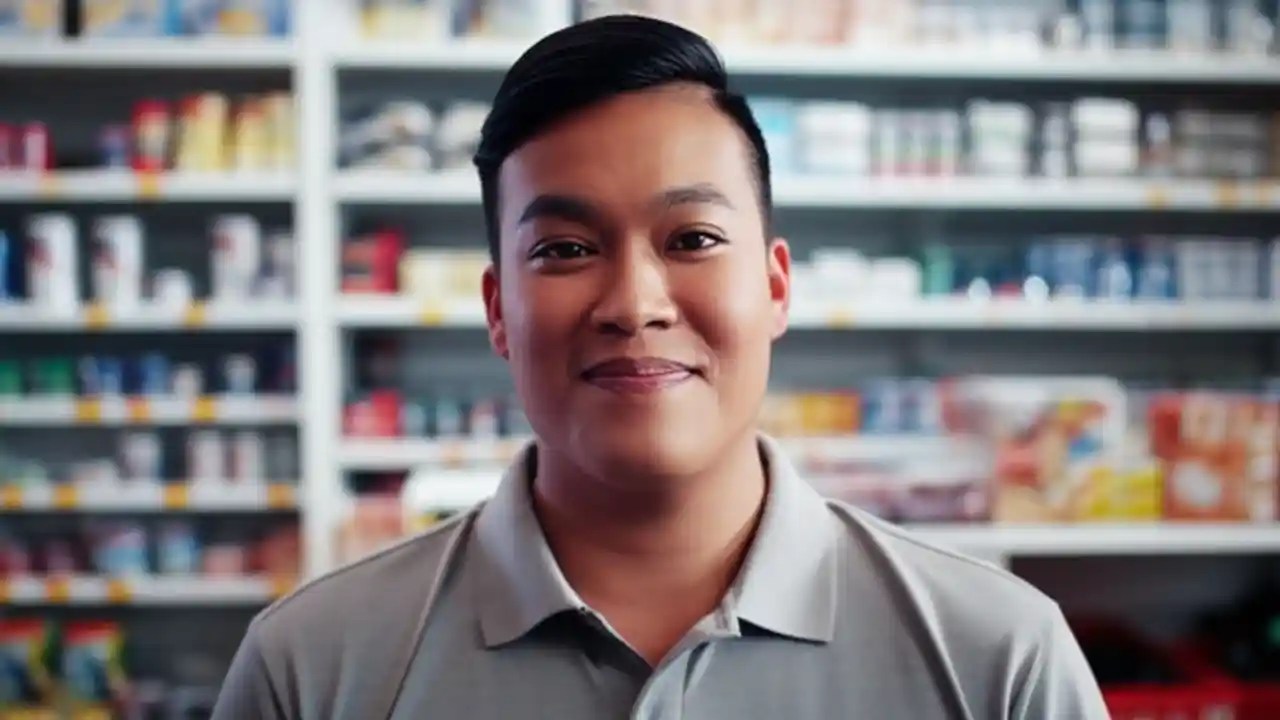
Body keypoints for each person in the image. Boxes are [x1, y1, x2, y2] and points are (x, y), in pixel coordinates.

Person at [213, 15, 1109, 720]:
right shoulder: (313, 667)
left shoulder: (997, 658)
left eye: (693, 239)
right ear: (497, 311)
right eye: (564, 249)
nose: (635, 302)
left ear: (773, 287)